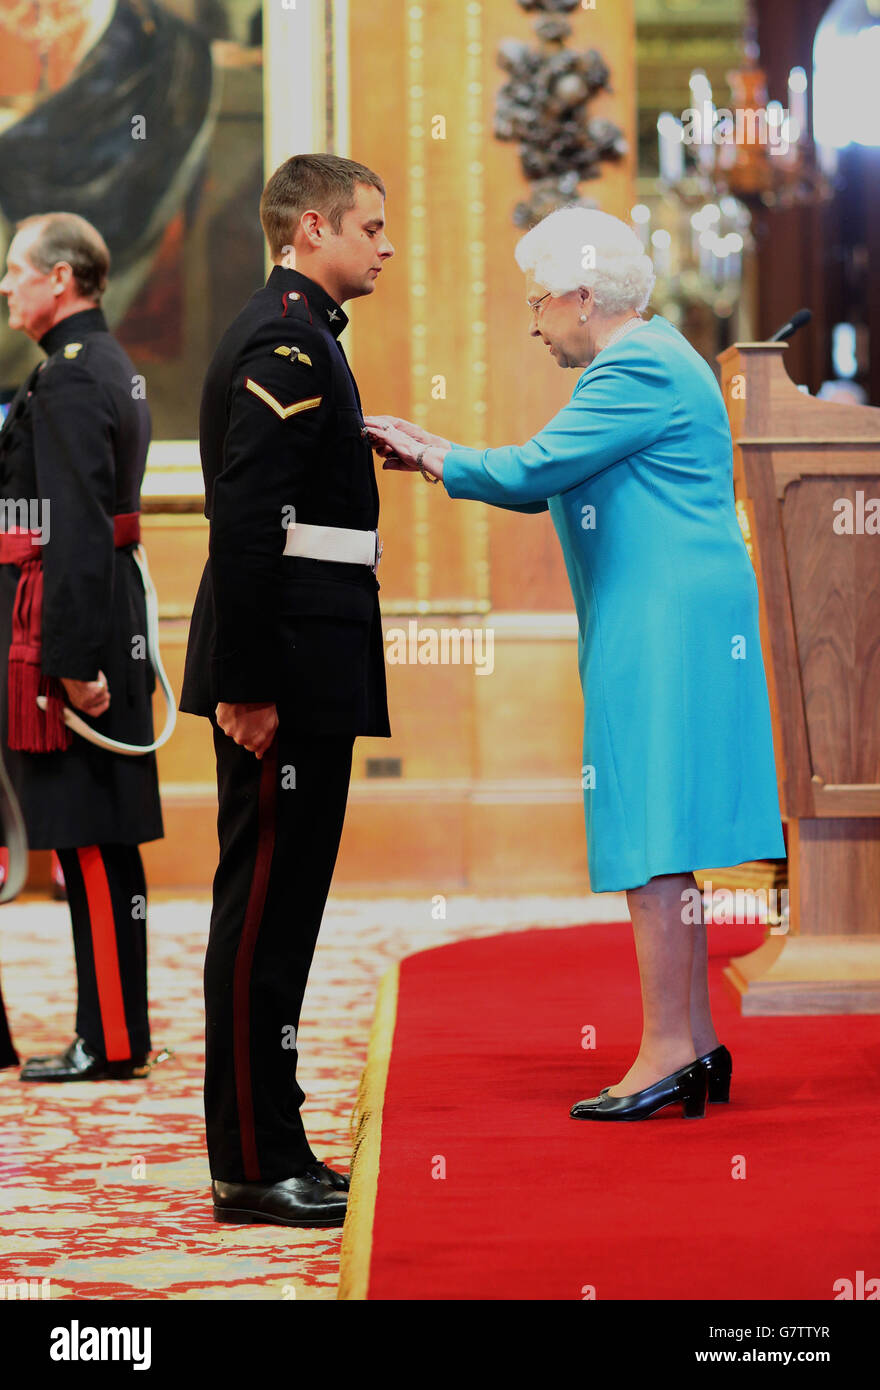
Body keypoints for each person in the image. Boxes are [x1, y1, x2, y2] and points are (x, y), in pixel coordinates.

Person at [366, 206, 785, 1123]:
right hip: (670, 610)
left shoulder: (635, 364)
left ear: (583, 296)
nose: (532, 321)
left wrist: (431, 450)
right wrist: (442, 456)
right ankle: (693, 1041)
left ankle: (670, 1050)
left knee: (652, 830)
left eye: (537, 302)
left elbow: (531, 469)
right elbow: (553, 474)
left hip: (664, 618)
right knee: (662, 827)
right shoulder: (660, 354)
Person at [180, 154, 393, 1225]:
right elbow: (249, 524)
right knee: (263, 914)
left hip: (311, 659)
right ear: (312, 228)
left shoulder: (303, 335)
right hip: (284, 677)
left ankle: (276, 1138)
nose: (386, 248)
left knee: (284, 915)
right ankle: (255, 1162)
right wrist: (249, 686)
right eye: (372, 229)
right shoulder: (283, 338)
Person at [0, 211, 163, 1080]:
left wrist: (68, 664)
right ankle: (114, 1031)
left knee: (90, 841)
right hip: (97, 623)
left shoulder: (66, 379)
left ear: (59, 279)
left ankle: (110, 1039)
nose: (6, 286)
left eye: (16, 271)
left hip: (69, 636)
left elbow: (70, 530)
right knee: (98, 839)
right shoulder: (98, 362)